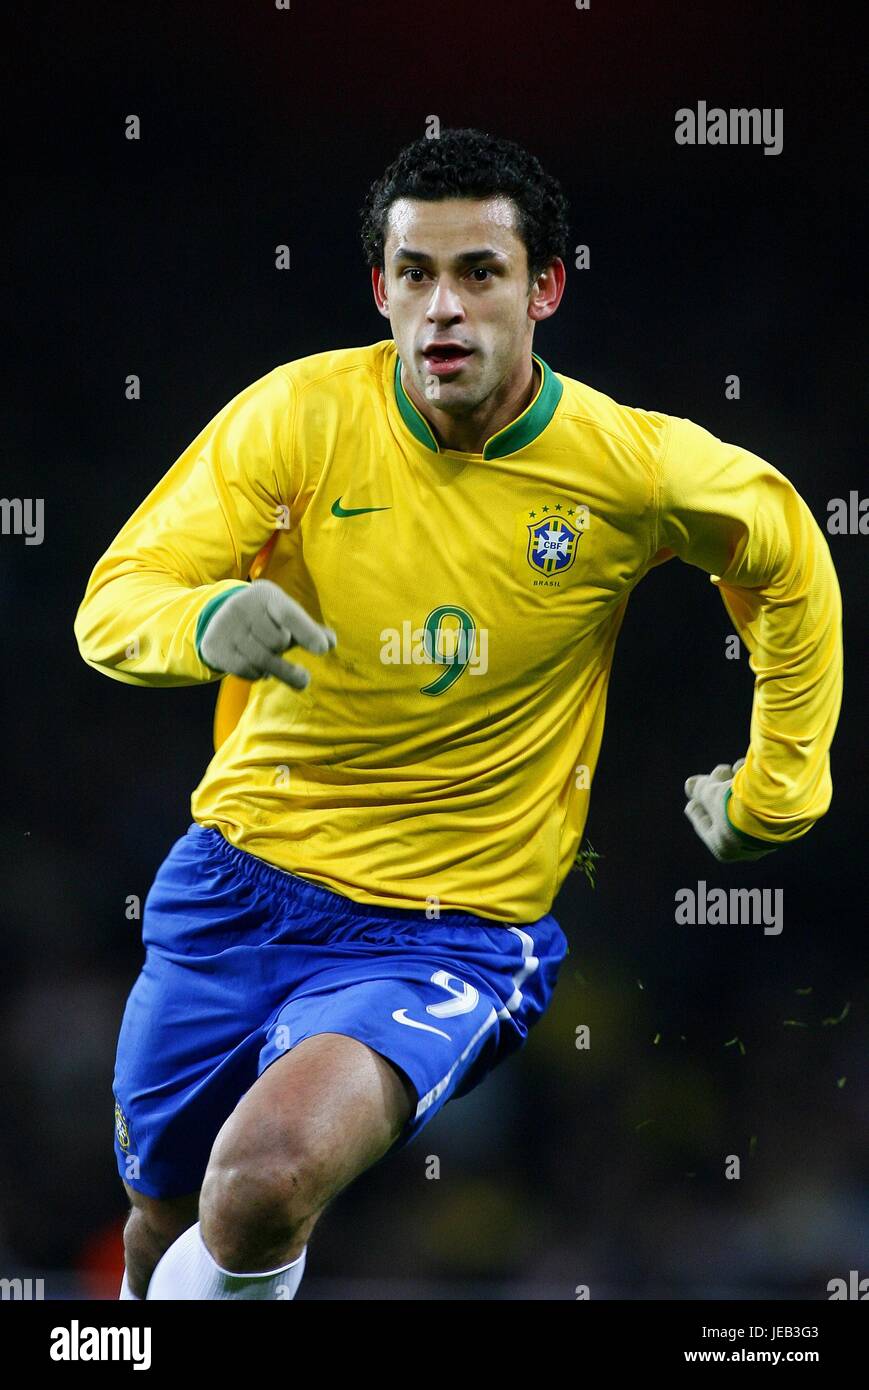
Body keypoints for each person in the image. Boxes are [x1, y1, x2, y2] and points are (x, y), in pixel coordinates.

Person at [74, 127, 843, 1301]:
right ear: (379, 290)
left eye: (479, 272)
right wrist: (203, 620)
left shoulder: (630, 470)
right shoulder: (296, 418)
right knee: (158, 1226)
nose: (444, 306)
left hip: (448, 927)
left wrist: (778, 780)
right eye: (416, 274)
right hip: (236, 884)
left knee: (262, 1181)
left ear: (544, 288)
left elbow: (784, 550)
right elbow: (113, 603)